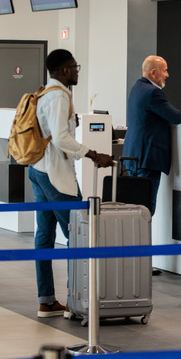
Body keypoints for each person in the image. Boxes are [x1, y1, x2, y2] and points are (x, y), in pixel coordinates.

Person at [29, 49, 113, 318]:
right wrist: (92, 154)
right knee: (77, 236)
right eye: (75, 66)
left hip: (39, 170)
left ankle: (47, 301)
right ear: (64, 70)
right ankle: (76, 303)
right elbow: (61, 138)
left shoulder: (44, 93)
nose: (77, 71)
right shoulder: (59, 96)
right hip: (56, 176)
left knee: (44, 237)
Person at [122, 55, 181, 216]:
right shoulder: (153, 93)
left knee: (135, 208)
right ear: (154, 72)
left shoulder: (137, 88)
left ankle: (137, 240)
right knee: (145, 210)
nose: (167, 75)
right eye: (164, 71)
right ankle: (142, 241)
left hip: (134, 156)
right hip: (147, 158)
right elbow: (175, 117)